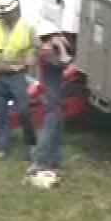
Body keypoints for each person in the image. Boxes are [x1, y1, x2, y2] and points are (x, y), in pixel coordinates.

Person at [0, 0, 36, 160]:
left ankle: (31, 143)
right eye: (2, 13)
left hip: (17, 77)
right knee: (1, 113)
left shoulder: (27, 28)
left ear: (15, 10)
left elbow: (35, 46)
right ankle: (2, 147)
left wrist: (31, 58)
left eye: (7, 13)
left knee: (24, 111)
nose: (5, 16)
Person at [31, 20, 71, 177]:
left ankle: (53, 161)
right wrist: (61, 46)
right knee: (47, 131)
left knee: (56, 130)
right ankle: (39, 162)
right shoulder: (46, 52)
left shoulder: (48, 50)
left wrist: (62, 43)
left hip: (54, 98)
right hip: (49, 97)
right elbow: (64, 62)